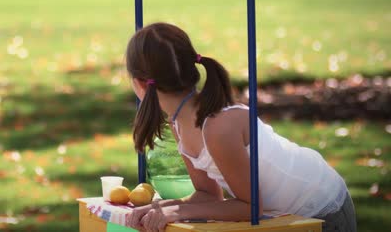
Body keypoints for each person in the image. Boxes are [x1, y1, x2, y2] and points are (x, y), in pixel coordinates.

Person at [124, 22, 356, 232]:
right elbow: (209, 195)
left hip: (321, 208)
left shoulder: (217, 127)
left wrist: (179, 211)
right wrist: (164, 206)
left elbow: (251, 208)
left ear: (140, 83)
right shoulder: (179, 123)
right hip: (287, 215)